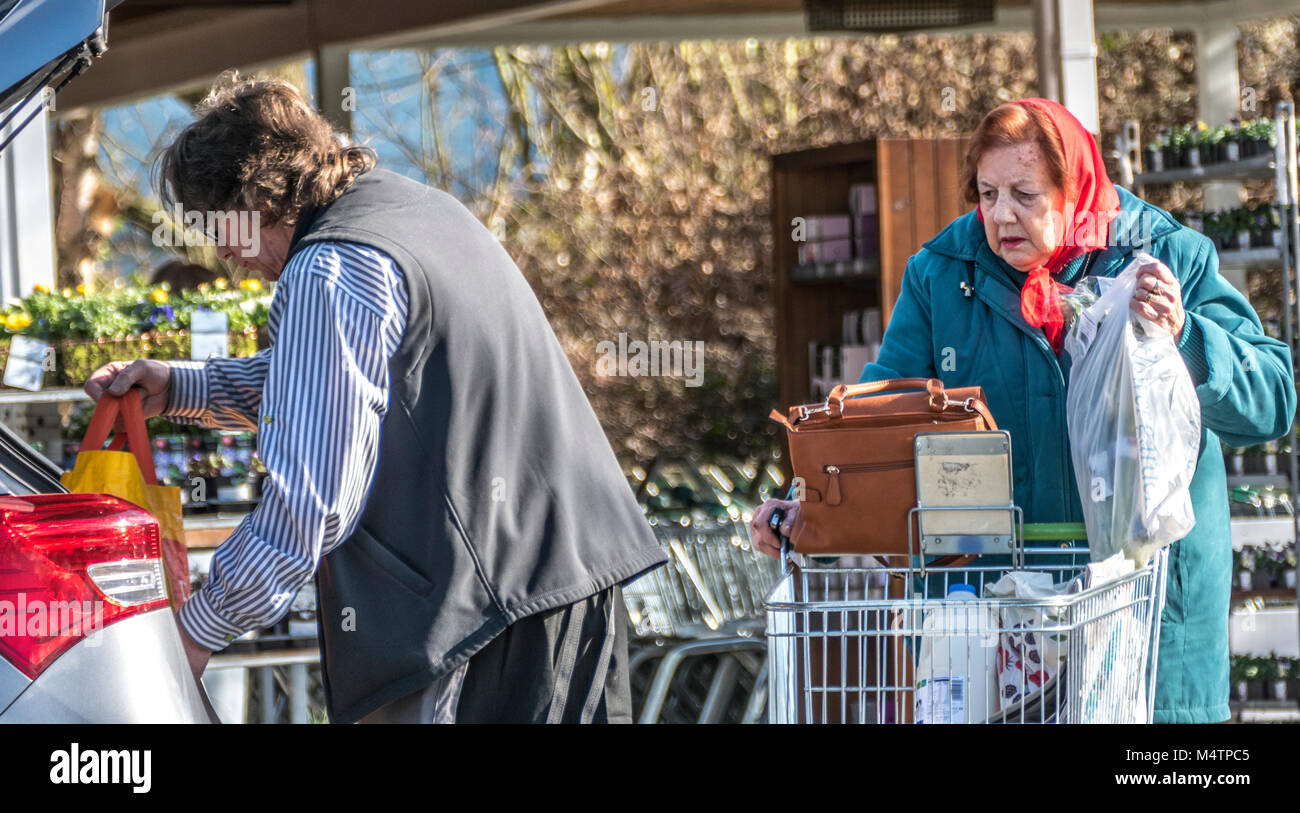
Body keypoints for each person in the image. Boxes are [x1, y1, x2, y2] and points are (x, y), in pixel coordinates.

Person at [84, 75, 667, 724]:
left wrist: (192, 632)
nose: (221, 251)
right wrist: (185, 386)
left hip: (478, 621)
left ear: (257, 193)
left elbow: (309, 503)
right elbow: (345, 384)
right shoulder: (421, 210)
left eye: (218, 224)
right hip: (565, 581)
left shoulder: (329, 268)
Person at [750, 98, 1296, 724]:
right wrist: (808, 500)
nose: (1001, 215)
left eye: (1025, 194)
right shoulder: (941, 273)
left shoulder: (1168, 257)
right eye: (986, 194)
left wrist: (1187, 335)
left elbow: (1272, 402)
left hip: (1136, 605)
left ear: (1075, 188)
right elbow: (880, 416)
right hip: (984, 611)